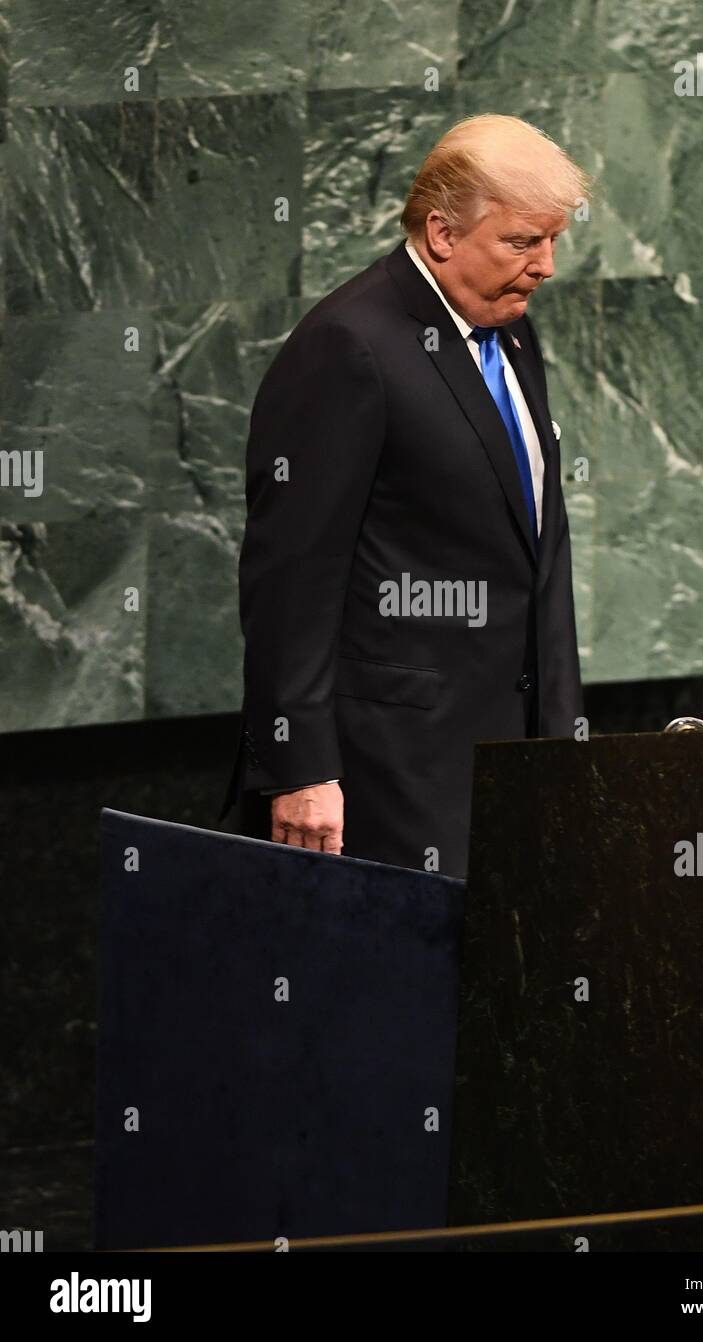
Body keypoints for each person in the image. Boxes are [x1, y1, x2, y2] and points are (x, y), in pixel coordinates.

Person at [217, 114, 588, 878]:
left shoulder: (511, 329)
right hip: (387, 770)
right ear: (442, 232)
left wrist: (560, 736)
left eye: (553, 240)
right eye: (522, 242)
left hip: (513, 751)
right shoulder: (348, 346)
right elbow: (290, 576)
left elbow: (534, 553)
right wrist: (299, 767)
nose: (545, 265)